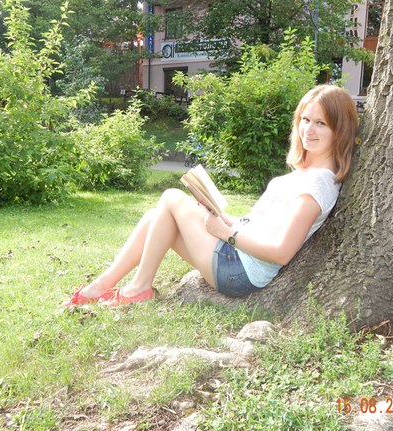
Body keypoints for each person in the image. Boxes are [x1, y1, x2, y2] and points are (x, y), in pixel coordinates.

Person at [63, 84, 358, 307]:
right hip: (237, 255)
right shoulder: (306, 173)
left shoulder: (317, 184)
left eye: (321, 123)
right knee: (156, 218)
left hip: (240, 270)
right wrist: (225, 218)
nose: (308, 130)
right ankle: (99, 287)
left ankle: (138, 289)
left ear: (339, 131)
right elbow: (267, 226)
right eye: (305, 119)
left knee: (171, 197)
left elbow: (282, 252)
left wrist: (226, 233)